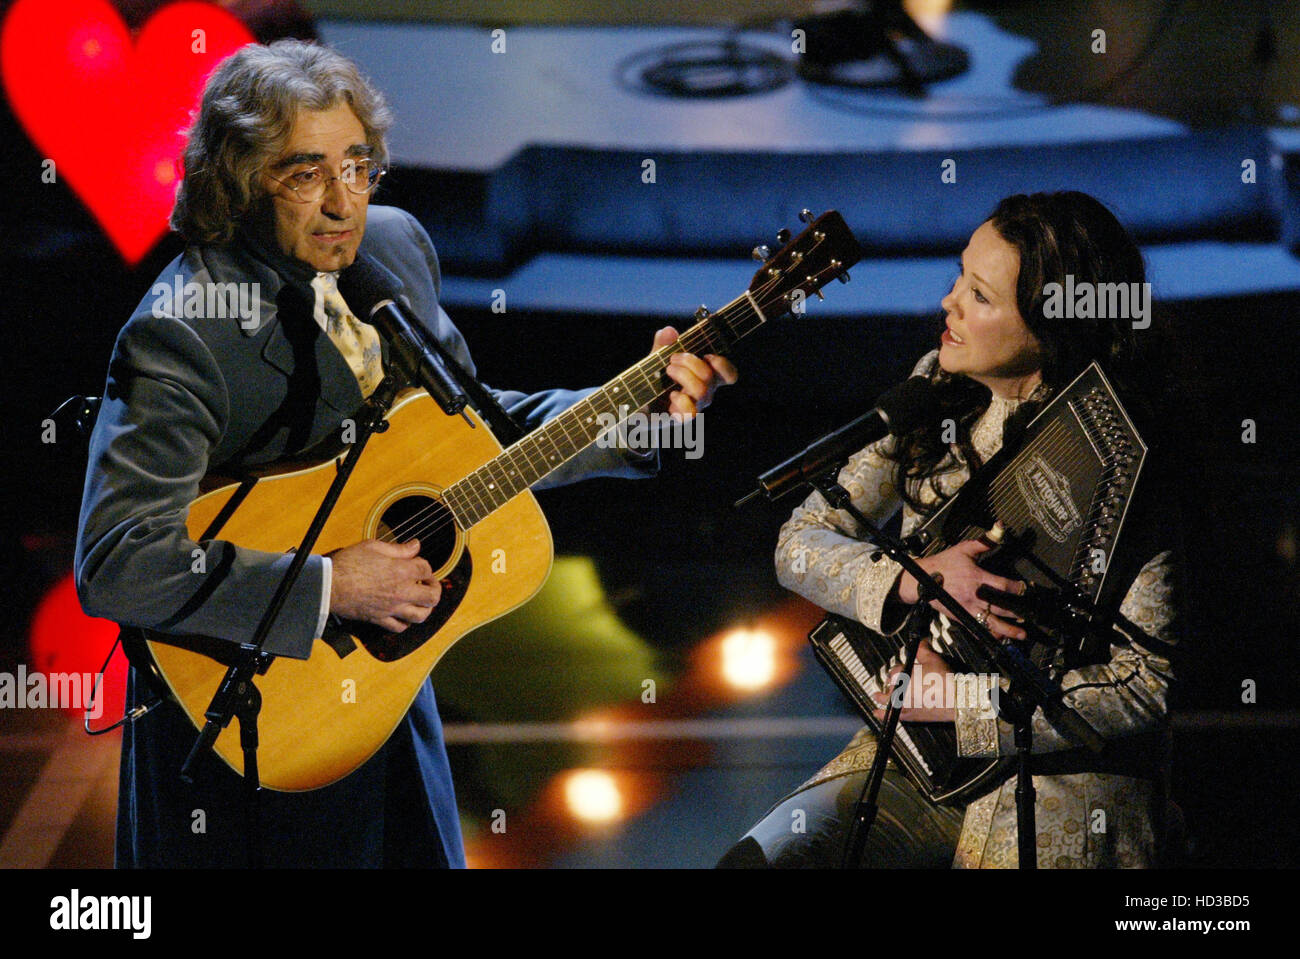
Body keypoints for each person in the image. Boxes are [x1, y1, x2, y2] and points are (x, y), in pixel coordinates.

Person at [74, 39, 737, 868]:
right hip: (245, 734)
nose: (341, 203)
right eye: (304, 173)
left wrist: (647, 415)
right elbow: (117, 562)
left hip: (384, 696)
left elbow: (476, 434)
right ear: (240, 182)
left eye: (357, 166)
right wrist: (332, 585)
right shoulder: (184, 327)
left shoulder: (392, 247)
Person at [719, 191, 1180, 869]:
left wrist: (956, 699)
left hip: (1060, 788)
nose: (949, 303)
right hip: (909, 757)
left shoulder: (1131, 455)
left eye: (981, 296)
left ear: (1053, 324)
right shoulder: (936, 387)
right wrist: (917, 579)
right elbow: (799, 542)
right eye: (960, 276)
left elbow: (1149, 682)